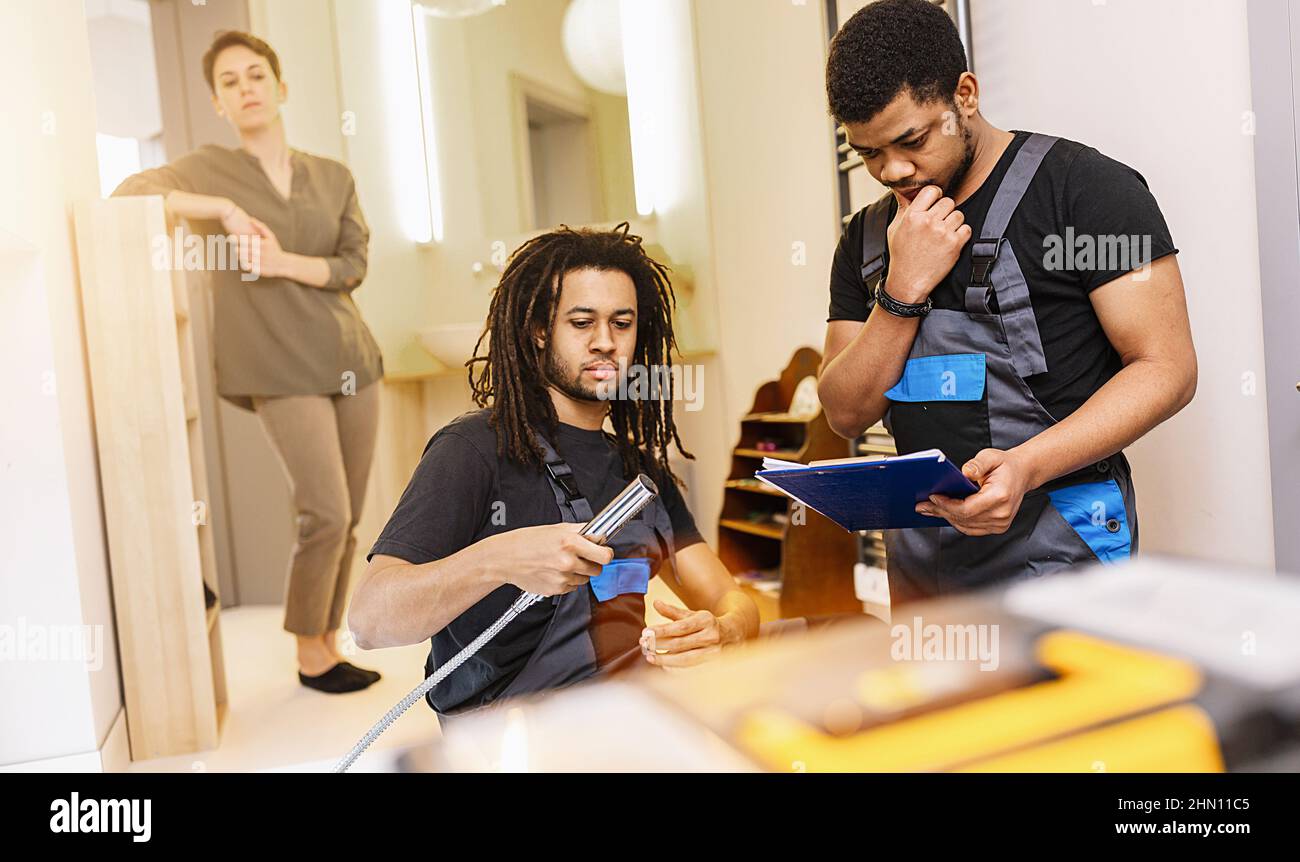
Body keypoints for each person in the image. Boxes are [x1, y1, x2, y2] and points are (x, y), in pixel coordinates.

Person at [817, 0, 1197, 603]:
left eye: (910, 140)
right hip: (925, 570)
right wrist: (900, 292)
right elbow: (844, 412)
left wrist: (1026, 467)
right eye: (867, 153)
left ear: (964, 95)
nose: (892, 170)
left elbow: (1167, 370)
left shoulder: (1085, 191)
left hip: (1066, 551)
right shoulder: (866, 238)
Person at [348, 224, 760, 719]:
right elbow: (370, 622)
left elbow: (728, 596)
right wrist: (498, 559)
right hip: (514, 742)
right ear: (541, 330)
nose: (606, 342)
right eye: (582, 323)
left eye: (622, 323)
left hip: (631, 718)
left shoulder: (640, 473)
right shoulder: (474, 449)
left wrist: (726, 629)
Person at [114, 31, 385, 692]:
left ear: (281, 87)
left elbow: (354, 264)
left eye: (256, 74)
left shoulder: (333, 175)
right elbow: (127, 195)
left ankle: (327, 639)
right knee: (321, 509)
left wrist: (285, 263)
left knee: (347, 513)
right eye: (230, 81)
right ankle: (310, 654)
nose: (247, 87)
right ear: (218, 103)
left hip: (349, 355)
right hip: (274, 362)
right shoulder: (209, 169)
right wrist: (222, 210)